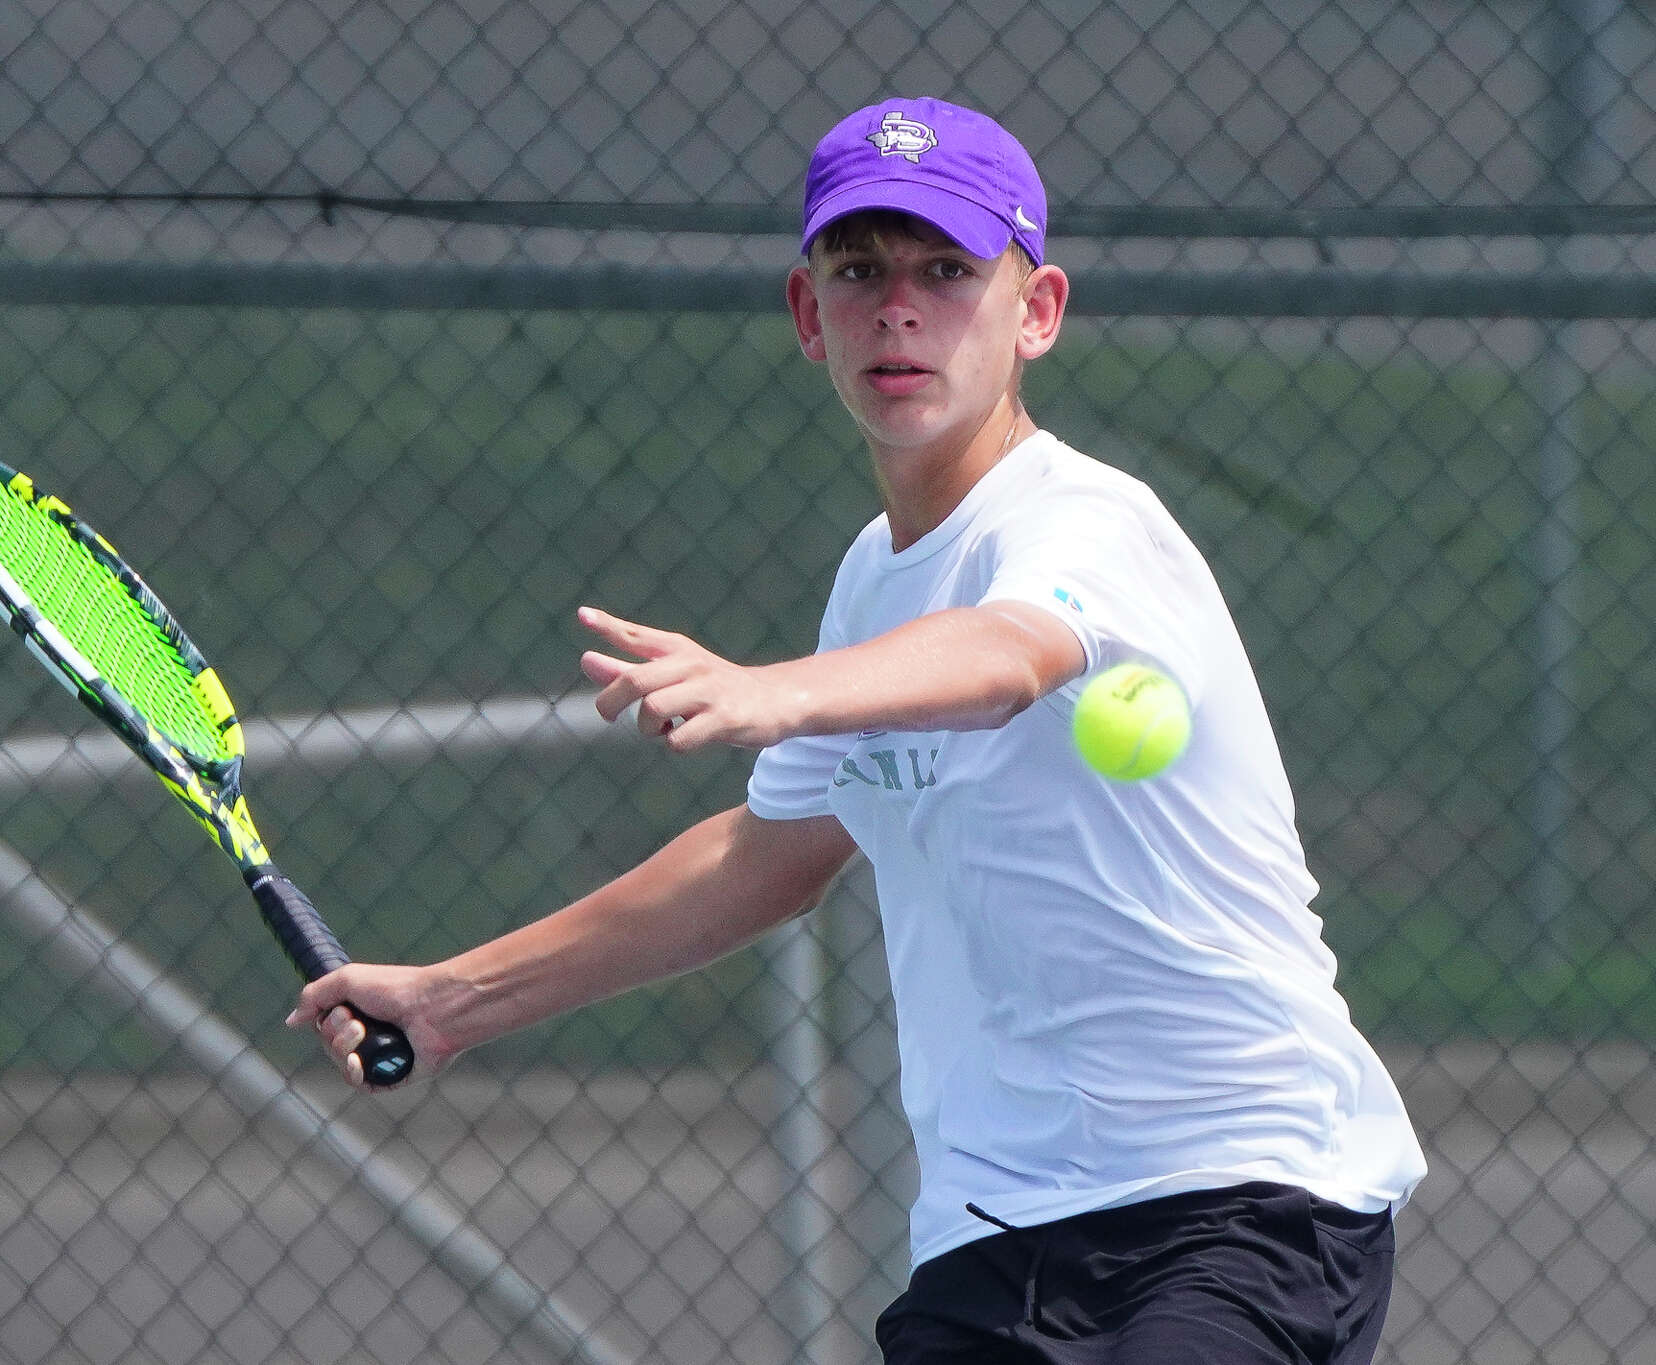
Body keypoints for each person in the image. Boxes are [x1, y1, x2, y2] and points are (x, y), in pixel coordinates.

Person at [288, 96, 1426, 1363]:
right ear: (806, 313)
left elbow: (1006, 657)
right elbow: (767, 857)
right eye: (860, 270)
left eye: (946, 270)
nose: (899, 307)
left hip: (1240, 1204)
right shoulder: (874, 579)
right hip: (992, 1235)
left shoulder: (1090, 527)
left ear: (1035, 311)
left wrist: (779, 688)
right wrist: (455, 1001)